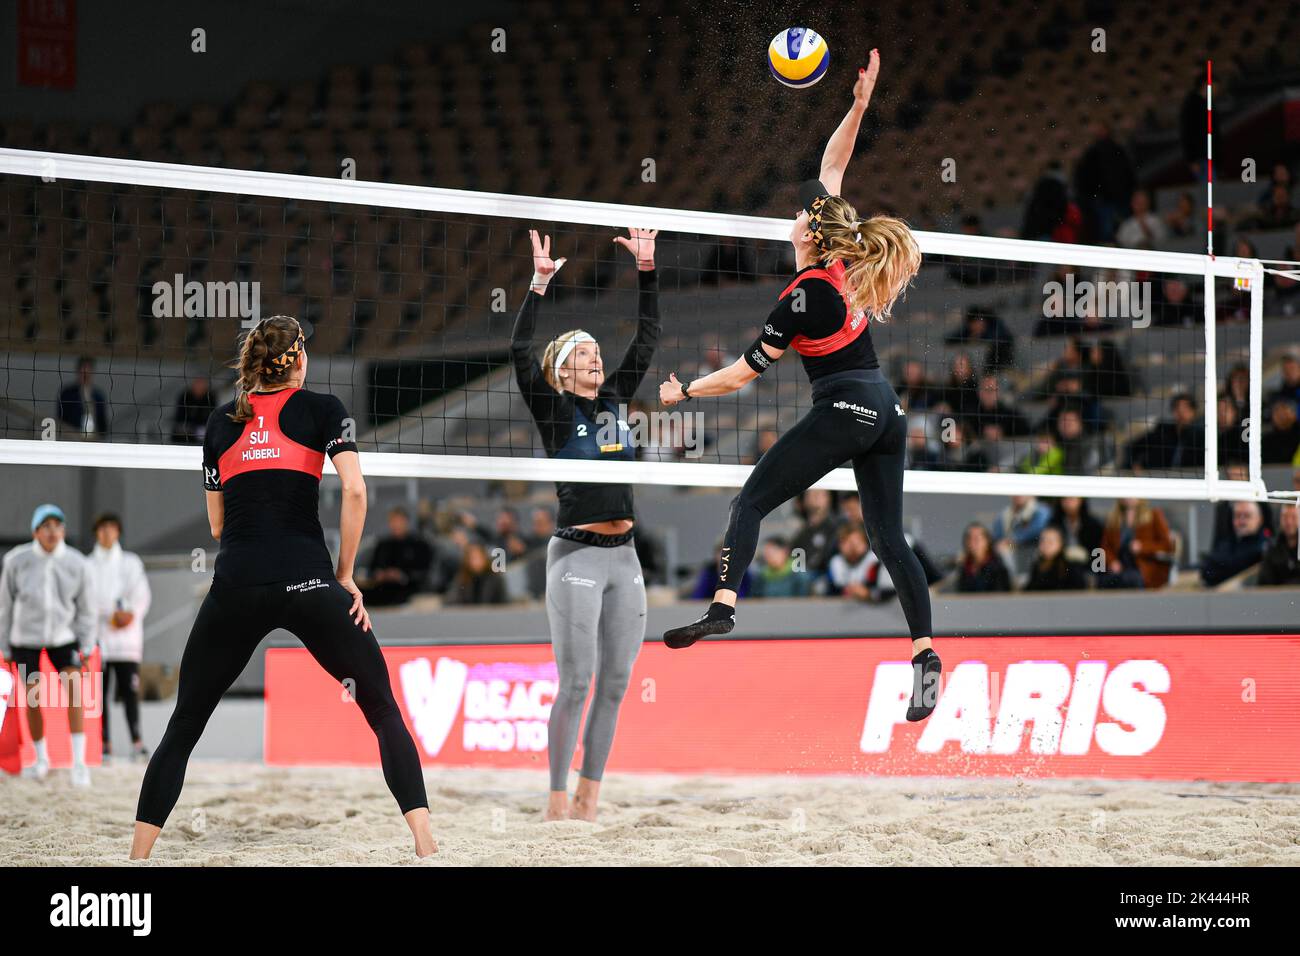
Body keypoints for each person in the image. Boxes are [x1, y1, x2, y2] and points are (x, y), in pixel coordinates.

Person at [657, 51, 941, 722]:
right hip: (886, 409)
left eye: (796, 219)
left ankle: (723, 606)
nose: (790, 218)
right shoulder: (843, 261)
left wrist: (685, 393)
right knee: (888, 538)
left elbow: (740, 376)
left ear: (808, 237)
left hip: (846, 406)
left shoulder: (802, 295)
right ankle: (925, 655)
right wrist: (861, 105)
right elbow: (831, 168)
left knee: (750, 502)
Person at [131, 315, 435, 860]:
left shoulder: (222, 422)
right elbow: (357, 493)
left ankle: (137, 854)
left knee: (184, 725)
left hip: (236, 587)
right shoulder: (323, 409)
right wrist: (344, 579)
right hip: (309, 581)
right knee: (383, 711)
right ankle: (426, 843)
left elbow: (219, 527)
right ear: (297, 360)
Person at [512, 225, 659, 821]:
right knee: (576, 683)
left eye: (597, 350)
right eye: (582, 353)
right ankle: (553, 803)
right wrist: (539, 284)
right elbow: (519, 351)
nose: (595, 357)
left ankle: (589, 797)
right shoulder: (554, 411)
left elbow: (648, 338)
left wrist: (646, 269)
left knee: (616, 686)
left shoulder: (616, 403)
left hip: (625, 559)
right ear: (562, 371)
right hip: (575, 555)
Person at [0, 504, 95, 785]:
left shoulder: (78, 563)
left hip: (63, 638)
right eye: (46, 526)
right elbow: (5, 606)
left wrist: (86, 647)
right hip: (24, 640)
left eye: (57, 526)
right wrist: (4, 647)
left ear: (63, 530)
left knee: (75, 689)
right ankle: (41, 758)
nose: (52, 531)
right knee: (33, 696)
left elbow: (86, 609)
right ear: (35, 531)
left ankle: (79, 763)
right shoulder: (17, 560)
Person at [86, 513, 151, 761]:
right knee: (99, 694)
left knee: (129, 692)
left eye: (111, 528)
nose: (107, 533)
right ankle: (104, 743)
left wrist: (129, 614)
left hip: (127, 642)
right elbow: (88, 600)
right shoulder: (88, 565)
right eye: (102, 529)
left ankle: (137, 741)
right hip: (98, 640)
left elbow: (141, 595)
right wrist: (110, 613)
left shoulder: (130, 563)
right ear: (96, 533)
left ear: (118, 532)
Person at [361, 507, 433, 607]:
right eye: (393, 521)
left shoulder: (419, 544)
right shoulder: (383, 545)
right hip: (382, 588)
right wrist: (379, 574)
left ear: (406, 522)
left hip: (408, 588)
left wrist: (401, 576)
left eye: (399, 521)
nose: (396, 525)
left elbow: (424, 571)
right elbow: (372, 568)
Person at [1100, 498, 1174, 590]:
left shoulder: (1153, 515)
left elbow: (1167, 545)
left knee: (1131, 580)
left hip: (1144, 569)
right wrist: (1112, 562)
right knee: (1104, 581)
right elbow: (1105, 547)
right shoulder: (1113, 519)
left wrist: (1142, 547)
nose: (1129, 497)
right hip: (1120, 569)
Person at [1200, 501, 1269, 587]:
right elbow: (1206, 570)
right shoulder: (1226, 543)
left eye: (1247, 516)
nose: (1242, 520)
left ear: (1260, 519)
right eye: (1237, 515)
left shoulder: (1265, 547)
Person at [57, 357, 110, 437]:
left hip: (94, 440)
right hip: (72, 438)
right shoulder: (67, 394)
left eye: (88, 374)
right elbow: (61, 419)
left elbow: (102, 423)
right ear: (78, 372)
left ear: (92, 373)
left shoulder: (99, 396)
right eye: (83, 373)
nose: (85, 376)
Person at [1024, 526, 1088, 591]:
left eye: (1050, 542)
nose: (1046, 545)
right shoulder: (1037, 567)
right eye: (1042, 541)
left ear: (1060, 543)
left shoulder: (1071, 567)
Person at [955, 523, 1012, 593]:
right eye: (970, 538)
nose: (974, 542)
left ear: (987, 541)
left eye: (978, 538)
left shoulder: (998, 568)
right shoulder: (963, 568)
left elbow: (1001, 596)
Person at [1256, 505, 1300, 586]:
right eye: (1285, 517)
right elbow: (1264, 582)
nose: (1289, 522)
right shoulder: (1272, 548)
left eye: (1294, 517)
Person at [170, 376, 216, 444]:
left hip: (202, 429)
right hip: (187, 427)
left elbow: (213, 416)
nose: (199, 387)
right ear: (193, 385)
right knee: (180, 432)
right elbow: (179, 415)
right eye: (197, 384)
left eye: (202, 384)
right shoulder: (185, 396)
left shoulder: (210, 397)